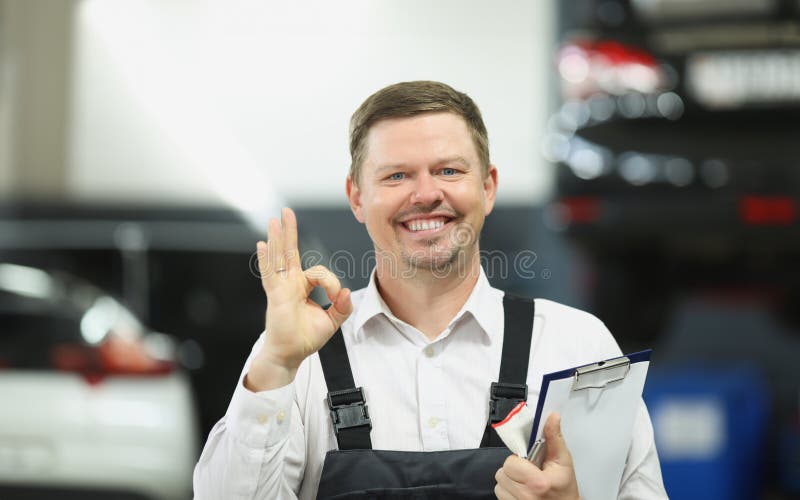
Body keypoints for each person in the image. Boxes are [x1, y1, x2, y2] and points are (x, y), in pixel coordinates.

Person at [193, 81, 668, 499]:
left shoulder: (576, 348)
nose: (425, 194)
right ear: (357, 198)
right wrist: (275, 363)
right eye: (396, 175)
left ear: (488, 187)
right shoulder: (297, 360)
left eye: (448, 171)